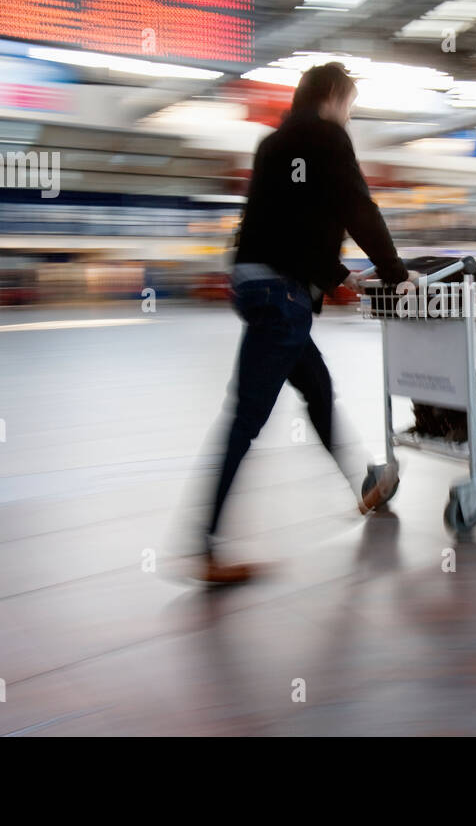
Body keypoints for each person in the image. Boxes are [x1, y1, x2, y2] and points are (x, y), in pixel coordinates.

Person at [199, 62, 415, 584]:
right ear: (333, 97)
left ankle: (367, 481)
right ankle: (203, 547)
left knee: (317, 387)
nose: (349, 116)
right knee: (246, 418)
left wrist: (340, 275)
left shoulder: (273, 145)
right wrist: (394, 272)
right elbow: (358, 207)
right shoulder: (328, 137)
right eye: (350, 105)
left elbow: (283, 224)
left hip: (255, 284)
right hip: (283, 293)